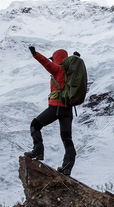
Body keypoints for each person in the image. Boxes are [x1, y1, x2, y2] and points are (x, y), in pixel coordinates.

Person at [24, 45, 76, 175]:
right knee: (66, 138)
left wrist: (35, 54)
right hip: (68, 110)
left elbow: (45, 63)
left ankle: (38, 151)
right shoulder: (73, 72)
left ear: (57, 59)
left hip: (56, 108)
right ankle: (67, 168)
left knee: (35, 125)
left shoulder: (58, 69)